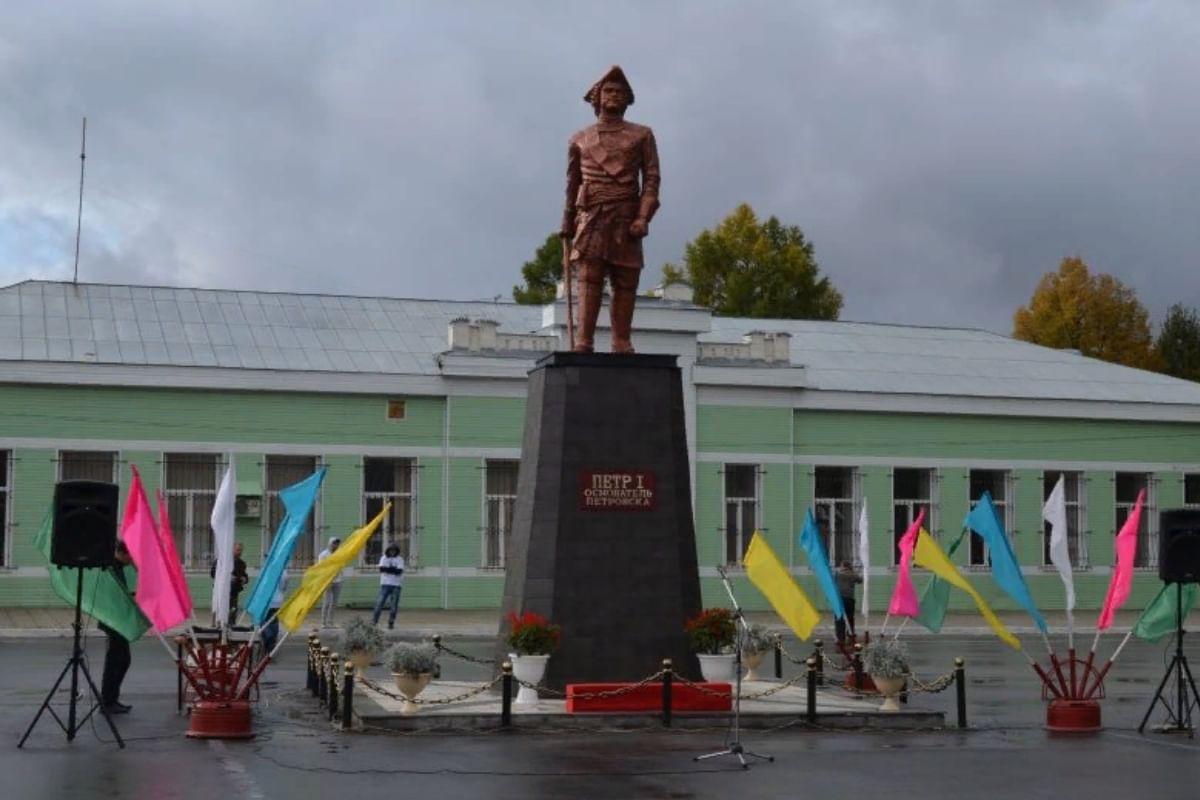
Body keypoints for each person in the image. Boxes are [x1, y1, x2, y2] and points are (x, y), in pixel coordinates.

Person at [561, 65, 660, 354]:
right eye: (609, 91)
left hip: (626, 216)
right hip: (591, 216)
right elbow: (572, 184)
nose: (614, 95)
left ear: (628, 99)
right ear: (597, 98)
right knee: (589, 279)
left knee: (626, 279)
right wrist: (567, 220)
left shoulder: (642, 135)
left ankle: (621, 340)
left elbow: (652, 179)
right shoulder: (579, 139)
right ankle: (584, 341)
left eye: (620, 92)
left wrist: (643, 216)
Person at [99, 541, 135, 715]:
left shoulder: (117, 567)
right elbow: (112, 595)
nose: (133, 559)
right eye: (131, 555)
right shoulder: (111, 568)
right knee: (116, 661)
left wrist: (132, 595)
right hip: (113, 621)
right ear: (122, 553)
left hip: (118, 621)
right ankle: (108, 701)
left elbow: (119, 593)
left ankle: (111, 699)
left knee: (121, 661)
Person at [211, 541, 249, 622]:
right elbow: (213, 573)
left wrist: (244, 579)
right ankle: (217, 624)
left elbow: (244, 575)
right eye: (238, 550)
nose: (239, 552)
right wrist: (227, 577)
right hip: (221, 591)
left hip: (234, 591)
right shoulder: (221, 561)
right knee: (220, 609)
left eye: (241, 550)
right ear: (232, 550)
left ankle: (231, 625)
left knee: (233, 609)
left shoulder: (241, 563)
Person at [371, 545, 405, 630]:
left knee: (394, 606)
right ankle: (374, 621)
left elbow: (399, 571)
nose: (392, 552)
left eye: (394, 550)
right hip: (385, 584)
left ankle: (391, 622)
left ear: (397, 551)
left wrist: (388, 570)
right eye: (391, 550)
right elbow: (381, 569)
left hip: (396, 585)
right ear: (388, 551)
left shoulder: (400, 559)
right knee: (379, 603)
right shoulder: (384, 558)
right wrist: (393, 570)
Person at [835, 560, 863, 643]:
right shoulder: (852, 574)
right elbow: (860, 580)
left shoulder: (838, 574)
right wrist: (854, 571)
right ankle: (850, 634)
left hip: (839, 599)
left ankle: (840, 637)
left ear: (842, 566)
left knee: (839, 618)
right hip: (849, 599)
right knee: (850, 618)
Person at [318, 537, 344, 628]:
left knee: (334, 603)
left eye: (337, 544)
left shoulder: (340, 553)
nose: (335, 545)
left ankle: (330, 621)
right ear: (330, 544)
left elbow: (342, 564)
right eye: (334, 543)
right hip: (328, 581)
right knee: (327, 602)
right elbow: (321, 567)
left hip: (338, 580)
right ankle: (323, 622)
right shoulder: (323, 554)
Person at [261, 573, 288, 656]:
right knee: (273, 622)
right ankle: (271, 643)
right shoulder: (284, 573)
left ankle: (267, 641)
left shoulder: (268, 570)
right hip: (277, 601)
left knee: (264, 622)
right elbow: (283, 587)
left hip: (266, 601)